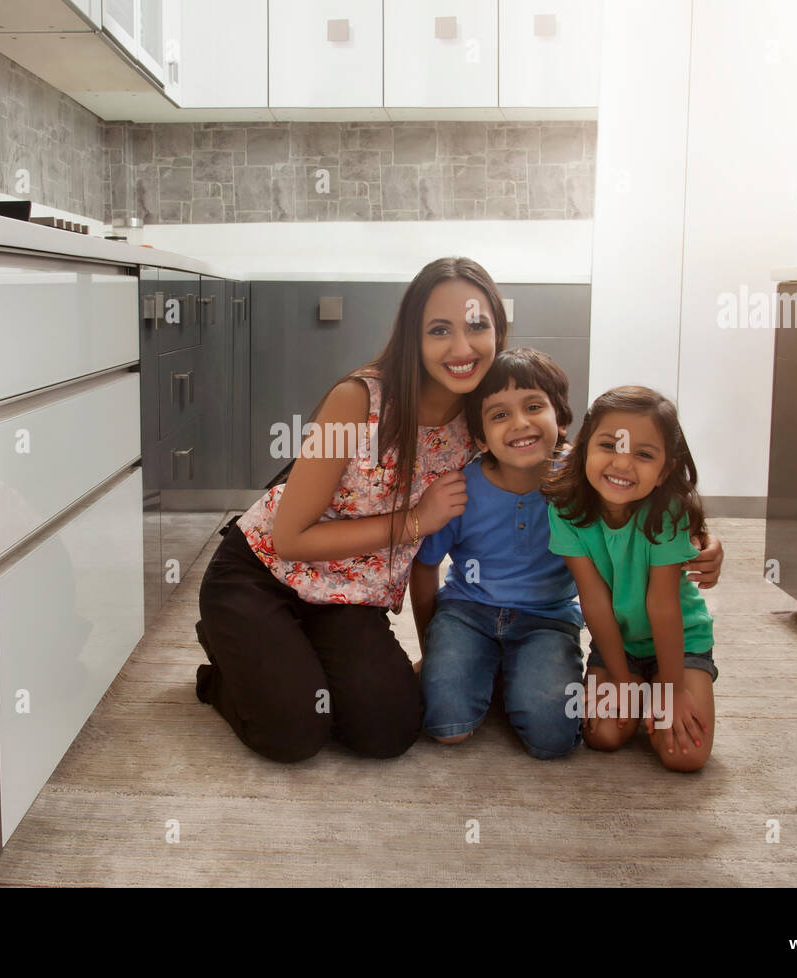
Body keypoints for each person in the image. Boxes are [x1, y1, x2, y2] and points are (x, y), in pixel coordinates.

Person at [193, 256, 508, 762]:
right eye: (439, 330)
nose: (462, 348)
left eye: (477, 326)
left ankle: (294, 662)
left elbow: (543, 458)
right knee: (293, 733)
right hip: (263, 575)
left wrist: (435, 655)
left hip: (349, 599)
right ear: (413, 336)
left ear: (498, 328)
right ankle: (223, 660)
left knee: (389, 730)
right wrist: (414, 522)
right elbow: (291, 538)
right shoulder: (357, 400)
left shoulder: (482, 421)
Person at [410, 349, 586, 759]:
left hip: (547, 619)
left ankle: (510, 674)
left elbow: (641, 511)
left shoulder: (581, 485)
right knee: (446, 727)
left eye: (533, 406)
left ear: (560, 418)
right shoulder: (460, 488)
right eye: (499, 414)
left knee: (553, 739)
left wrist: (702, 541)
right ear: (480, 436)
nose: (520, 423)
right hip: (466, 613)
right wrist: (430, 645)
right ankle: (491, 672)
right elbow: (426, 563)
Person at [546, 386, 718, 772]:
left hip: (680, 640)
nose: (622, 465)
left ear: (665, 471)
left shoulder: (668, 511)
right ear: (584, 447)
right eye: (609, 446)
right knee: (603, 736)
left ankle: (660, 688)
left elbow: (662, 605)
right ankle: (641, 688)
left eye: (643, 454)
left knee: (685, 756)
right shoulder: (565, 507)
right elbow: (593, 600)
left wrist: (672, 693)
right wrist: (622, 679)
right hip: (619, 644)